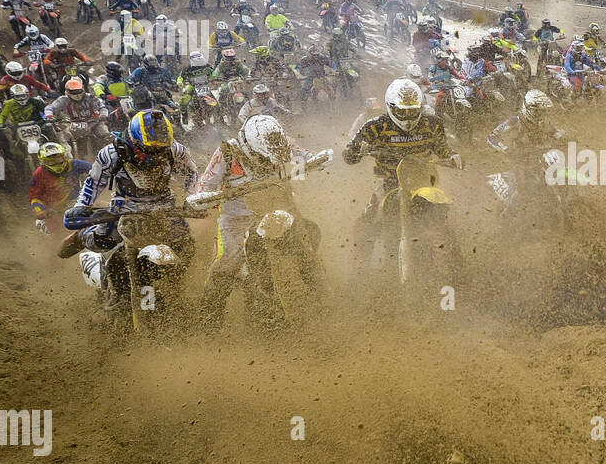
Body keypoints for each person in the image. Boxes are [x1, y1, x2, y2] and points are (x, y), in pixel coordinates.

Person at [194, 114, 324, 329]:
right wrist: (202, 198)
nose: (269, 160)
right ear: (252, 147)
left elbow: (303, 157)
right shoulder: (228, 153)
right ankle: (209, 316)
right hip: (237, 220)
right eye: (264, 157)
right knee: (228, 260)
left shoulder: (282, 144)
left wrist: (316, 160)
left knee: (308, 240)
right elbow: (205, 184)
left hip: (277, 212)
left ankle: (320, 299)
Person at [60, 110, 199, 305]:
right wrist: (82, 206)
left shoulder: (176, 150)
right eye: (150, 149)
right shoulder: (111, 154)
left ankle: (171, 289)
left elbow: (192, 173)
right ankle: (84, 236)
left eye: (160, 149)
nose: (156, 154)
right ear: (134, 140)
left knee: (186, 245)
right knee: (104, 241)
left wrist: (192, 198)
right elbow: (94, 182)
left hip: (164, 206)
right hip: (125, 207)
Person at [342, 78, 461, 234]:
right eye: (402, 112)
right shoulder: (376, 125)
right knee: (367, 223)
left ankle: (454, 253)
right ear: (391, 107)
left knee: (443, 218)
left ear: (420, 107)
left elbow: (442, 148)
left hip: (424, 179)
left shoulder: (433, 123)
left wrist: (453, 156)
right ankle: (360, 258)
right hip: (388, 181)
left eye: (413, 111)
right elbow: (349, 153)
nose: (409, 117)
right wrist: (355, 152)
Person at [29, 142, 92, 233]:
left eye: (58, 159)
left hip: (76, 203)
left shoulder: (73, 164)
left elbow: (96, 169)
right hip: (53, 211)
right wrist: (40, 211)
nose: (56, 163)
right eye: (51, 161)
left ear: (64, 156)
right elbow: (35, 197)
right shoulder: (39, 173)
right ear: (43, 162)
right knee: (53, 232)